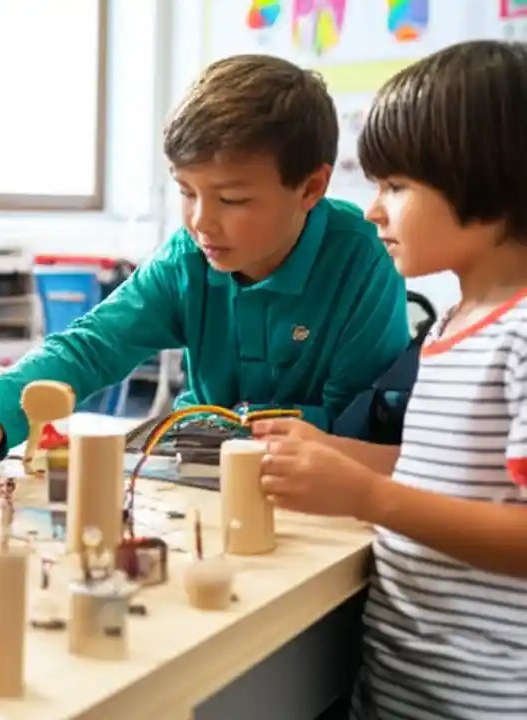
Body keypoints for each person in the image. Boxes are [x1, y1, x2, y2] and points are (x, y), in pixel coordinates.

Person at [0, 53, 411, 484]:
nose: (201, 221)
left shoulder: (365, 260)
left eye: (232, 199)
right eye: (186, 191)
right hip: (192, 472)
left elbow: (353, 427)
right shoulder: (188, 258)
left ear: (310, 189)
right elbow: (92, 346)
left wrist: (229, 424)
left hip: (314, 493)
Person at [252, 40, 527, 719]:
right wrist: (334, 452)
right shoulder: (456, 323)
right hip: (399, 685)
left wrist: (369, 495)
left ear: (488, 182)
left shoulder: (521, 334)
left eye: (396, 186)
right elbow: (451, 470)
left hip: (478, 703)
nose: (374, 210)